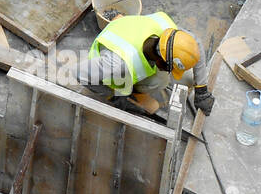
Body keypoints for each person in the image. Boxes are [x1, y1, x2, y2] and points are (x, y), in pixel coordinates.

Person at [79, 12, 214, 116]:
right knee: (159, 82)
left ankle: (129, 90)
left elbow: (195, 43)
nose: (169, 71)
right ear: (160, 59)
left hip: (124, 32)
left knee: (162, 80)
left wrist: (201, 88)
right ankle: (126, 91)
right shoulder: (118, 63)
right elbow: (80, 74)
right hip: (109, 61)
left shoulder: (166, 31)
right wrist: (113, 96)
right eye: (169, 68)